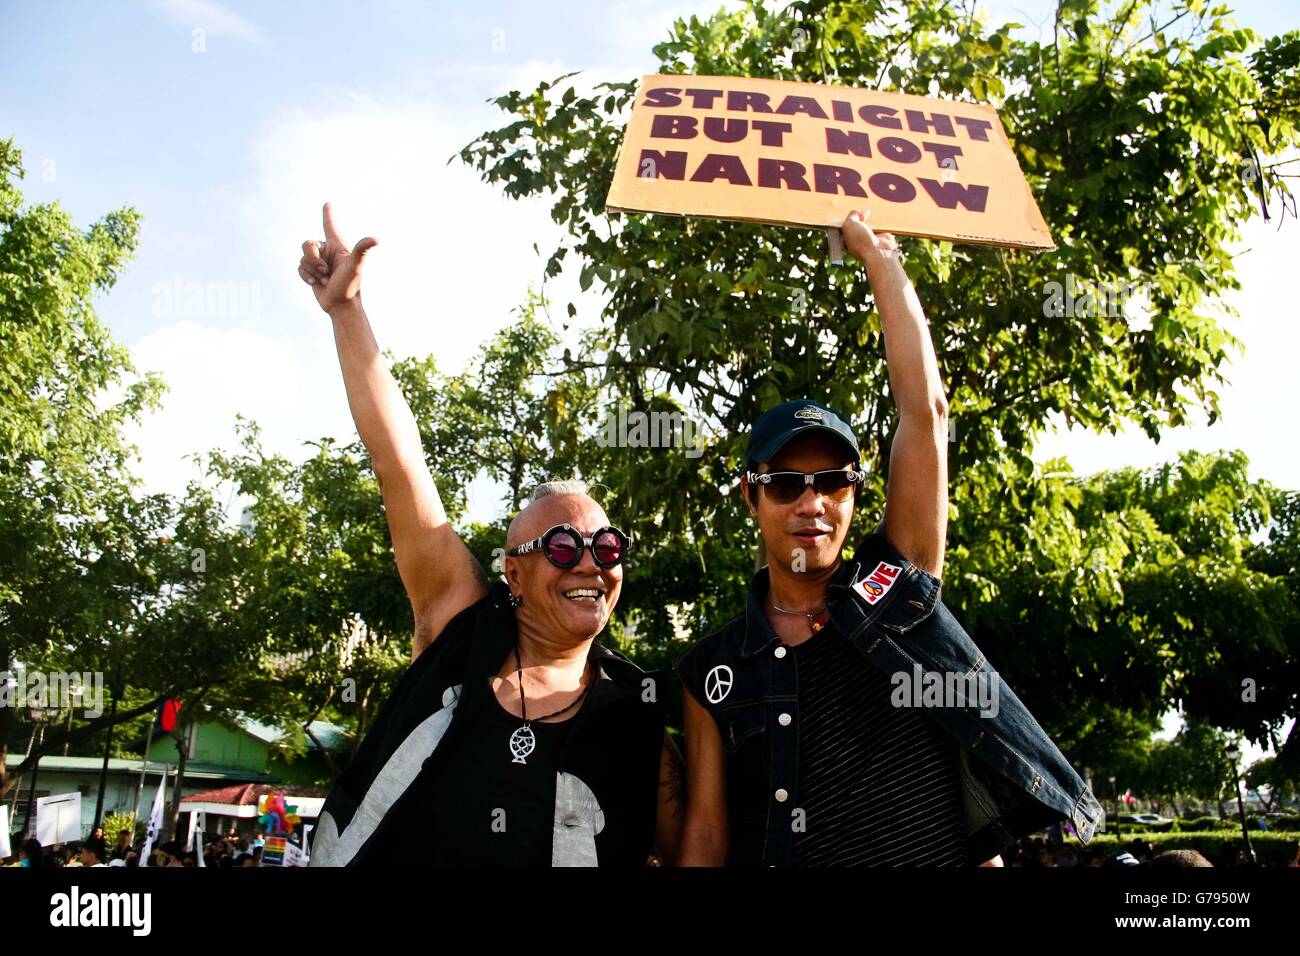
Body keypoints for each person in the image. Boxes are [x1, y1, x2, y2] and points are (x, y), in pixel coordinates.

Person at [675, 210, 1103, 867]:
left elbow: (925, 413)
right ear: (750, 495)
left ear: (854, 492)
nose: (811, 502)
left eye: (832, 481)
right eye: (786, 483)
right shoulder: (713, 670)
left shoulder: (894, 593)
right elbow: (706, 836)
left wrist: (881, 259)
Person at [298, 204, 683, 866]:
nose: (592, 563)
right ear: (514, 572)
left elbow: (696, 851)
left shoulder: (639, 721)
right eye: (563, 547)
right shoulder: (460, 632)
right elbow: (399, 462)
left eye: (608, 547)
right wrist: (347, 314)